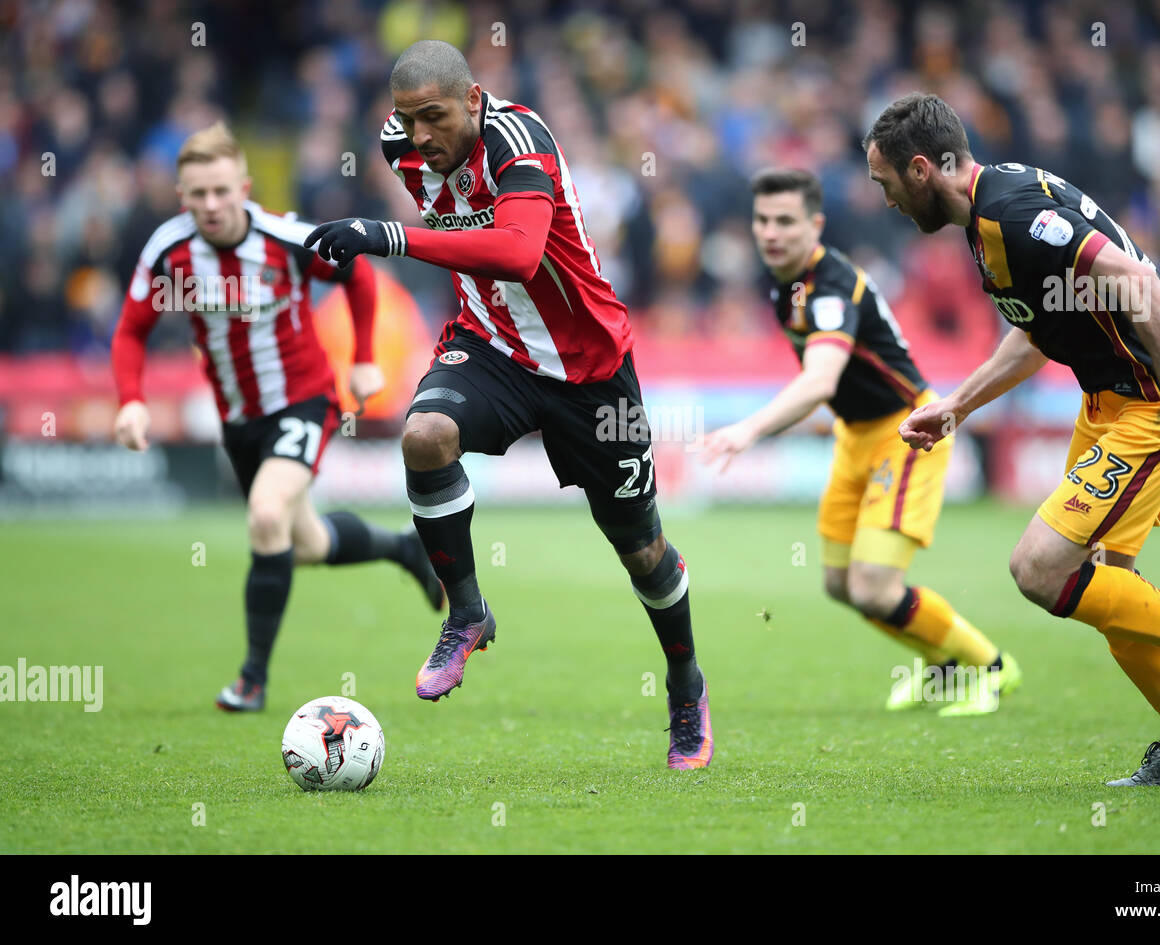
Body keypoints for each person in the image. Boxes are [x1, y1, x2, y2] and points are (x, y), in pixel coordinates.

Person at [302, 40, 711, 769]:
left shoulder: (520, 141)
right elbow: (458, 229)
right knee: (423, 436)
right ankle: (466, 613)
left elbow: (520, 252)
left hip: (590, 368)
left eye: (434, 117)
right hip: (491, 347)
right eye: (407, 119)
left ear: (473, 98)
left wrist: (387, 237)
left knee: (642, 551)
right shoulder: (401, 146)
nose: (420, 136)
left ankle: (685, 684)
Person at [863, 92, 1160, 785]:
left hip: (1154, 398)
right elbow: (1036, 332)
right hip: (1113, 398)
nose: (886, 203)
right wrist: (958, 406)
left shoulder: (1013, 217)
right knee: (1102, 584)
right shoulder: (989, 211)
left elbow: (1138, 282)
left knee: (1040, 569)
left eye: (885, 185)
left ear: (918, 170)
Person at [111, 122, 445, 712]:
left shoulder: (286, 238)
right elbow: (131, 330)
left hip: (305, 401)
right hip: (240, 420)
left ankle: (251, 681)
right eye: (197, 194)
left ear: (243, 186)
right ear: (181, 196)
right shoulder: (168, 252)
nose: (211, 205)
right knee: (304, 543)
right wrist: (131, 399)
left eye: (221, 191)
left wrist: (365, 360)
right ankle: (404, 549)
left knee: (267, 515)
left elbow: (358, 273)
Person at [699, 167, 1020, 715]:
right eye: (762, 220)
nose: (770, 232)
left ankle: (990, 665)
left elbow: (821, 380)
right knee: (840, 582)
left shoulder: (830, 286)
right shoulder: (787, 283)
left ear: (815, 225)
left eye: (785, 221)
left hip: (907, 431)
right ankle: (941, 666)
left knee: (873, 585)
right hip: (855, 435)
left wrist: (749, 429)